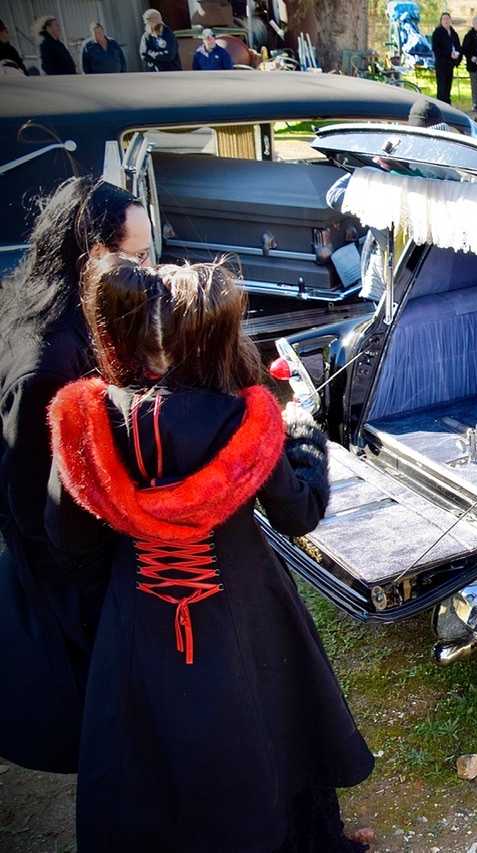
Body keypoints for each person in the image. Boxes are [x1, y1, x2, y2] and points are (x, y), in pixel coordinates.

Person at [46, 256, 375, 851]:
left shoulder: (86, 425)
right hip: (244, 614)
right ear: (208, 337)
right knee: (263, 741)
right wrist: (302, 438)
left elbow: (68, 541)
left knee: (148, 761)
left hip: (136, 622)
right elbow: (298, 512)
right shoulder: (243, 420)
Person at [0, 178, 149, 774]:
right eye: (135, 256)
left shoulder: (48, 302)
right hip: (66, 560)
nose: (148, 268)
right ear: (89, 252)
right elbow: (28, 489)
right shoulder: (47, 359)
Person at [431, 12, 461, 104]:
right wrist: (449, 54)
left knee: (448, 86)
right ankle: (441, 105)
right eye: (444, 19)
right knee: (442, 86)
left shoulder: (453, 33)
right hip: (441, 63)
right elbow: (436, 48)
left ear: (450, 20)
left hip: (450, 63)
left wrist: (457, 54)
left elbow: (458, 46)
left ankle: (448, 104)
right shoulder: (437, 32)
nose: (446, 21)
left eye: (448, 19)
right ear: (441, 21)